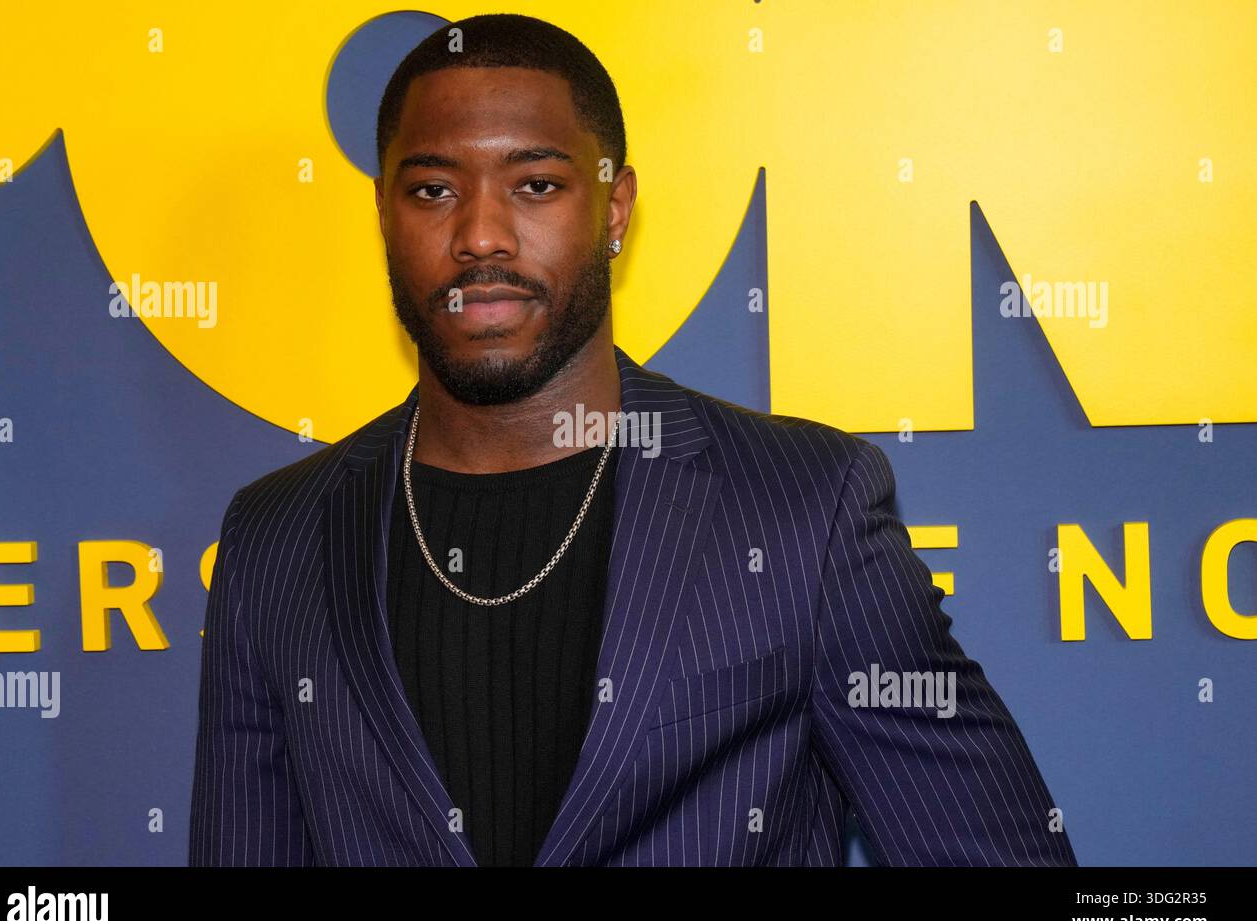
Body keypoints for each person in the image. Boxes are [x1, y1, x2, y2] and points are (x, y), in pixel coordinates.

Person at [189, 12, 1077, 867]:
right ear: (384, 214)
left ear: (614, 209)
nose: (481, 235)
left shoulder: (803, 507)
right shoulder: (278, 539)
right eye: (433, 190)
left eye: (535, 184)